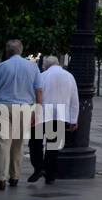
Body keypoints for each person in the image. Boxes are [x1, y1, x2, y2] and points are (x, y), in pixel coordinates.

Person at [0, 40, 42, 190]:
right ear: (21, 50)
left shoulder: (1, 67)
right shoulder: (33, 67)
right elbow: (39, 91)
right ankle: (15, 177)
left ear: (7, 51)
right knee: (18, 144)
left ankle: (1, 179)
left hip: (1, 107)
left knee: (3, 144)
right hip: (24, 108)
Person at [30, 54, 77, 185]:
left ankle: (39, 167)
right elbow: (74, 99)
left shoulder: (43, 76)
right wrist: (74, 119)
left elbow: (36, 95)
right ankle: (50, 175)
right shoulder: (69, 77)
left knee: (35, 143)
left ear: (46, 65)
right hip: (61, 114)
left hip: (43, 113)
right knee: (53, 146)